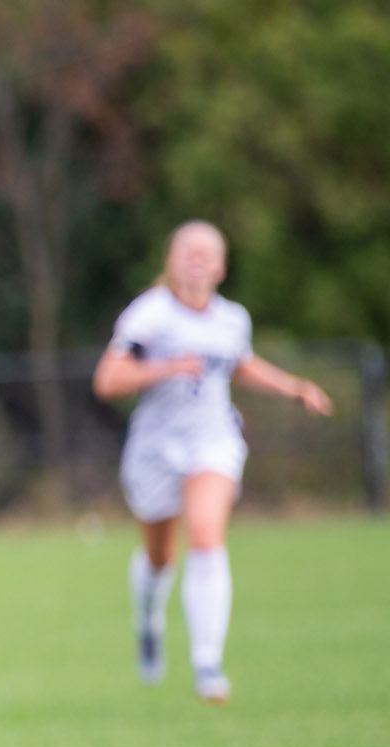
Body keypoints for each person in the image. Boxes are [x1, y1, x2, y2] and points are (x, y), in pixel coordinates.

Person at [92, 220, 333, 703]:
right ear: (170, 261)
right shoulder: (150, 316)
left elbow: (239, 363)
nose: (197, 259)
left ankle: (207, 664)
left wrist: (294, 387)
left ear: (221, 267)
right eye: (188, 251)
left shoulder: (231, 320)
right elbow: (108, 380)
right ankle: (149, 620)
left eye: (207, 253)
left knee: (205, 535)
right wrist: (164, 367)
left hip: (213, 440)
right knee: (160, 557)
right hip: (156, 447)